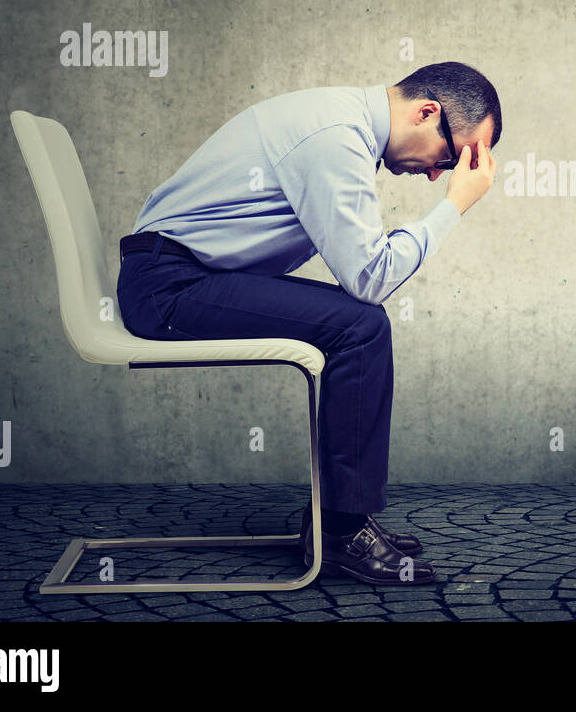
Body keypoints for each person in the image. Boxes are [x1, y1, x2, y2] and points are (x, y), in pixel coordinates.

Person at [115, 61, 500, 585]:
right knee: (361, 326)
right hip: (168, 287)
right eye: (450, 156)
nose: (437, 174)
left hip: (184, 273)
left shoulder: (341, 123)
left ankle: (338, 521)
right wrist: (453, 206)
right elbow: (370, 276)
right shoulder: (336, 138)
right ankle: (341, 530)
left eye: (450, 170)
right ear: (426, 112)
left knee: (359, 323)